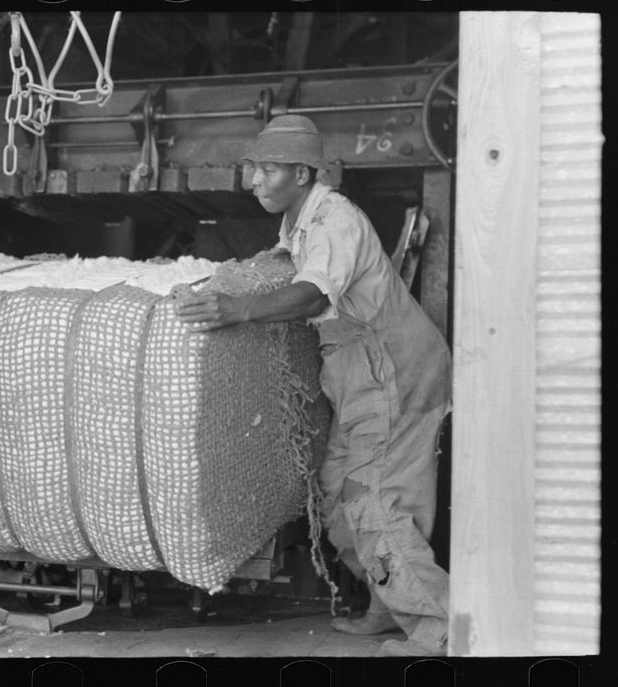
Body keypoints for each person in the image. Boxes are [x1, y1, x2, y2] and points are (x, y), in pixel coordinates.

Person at [175, 115, 452, 657]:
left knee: (373, 497)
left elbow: (312, 295)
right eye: (252, 168)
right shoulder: (299, 221)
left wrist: (238, 309)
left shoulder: (335, 220)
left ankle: (439, 625)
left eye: (267, 169)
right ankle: (387, 603)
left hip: (390, 369)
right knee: (335, 495)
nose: (253, 180)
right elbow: (289, 267)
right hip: (355, 373)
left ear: (301, 174)